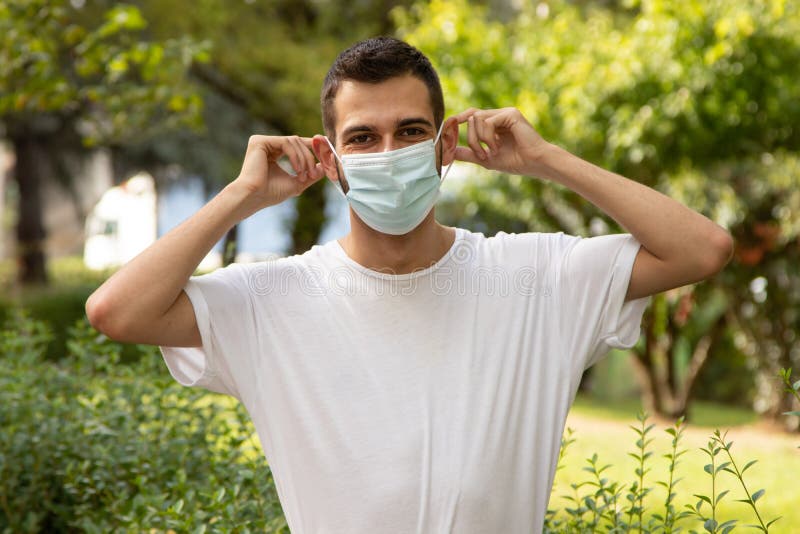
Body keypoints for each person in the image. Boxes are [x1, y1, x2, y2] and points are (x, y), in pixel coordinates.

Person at [86, 37, 733, 533]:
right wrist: (241, 195)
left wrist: (546, 161)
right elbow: (117, 310)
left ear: (444, 148)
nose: (388, 153)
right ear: (331, 160)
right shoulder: (270, 300)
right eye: (363, 138)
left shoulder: (539, 278)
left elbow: (702, 248)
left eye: (411, 132)